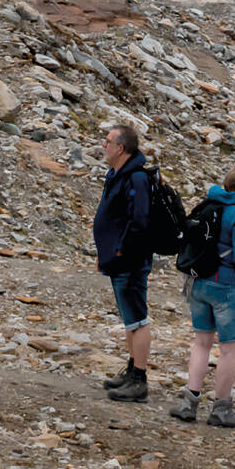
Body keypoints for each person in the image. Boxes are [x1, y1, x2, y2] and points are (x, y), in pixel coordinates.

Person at [171, 161, 235, 429]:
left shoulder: (209, 204)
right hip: (226, 287)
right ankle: (222, 408)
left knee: (201, 343)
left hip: (198, 282)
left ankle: (189, 402)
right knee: (230, 349)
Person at [93, 119, 153, 401]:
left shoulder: (136, 178)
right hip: (118, 259)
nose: (103, 146)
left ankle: (139, 379)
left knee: (138, 319)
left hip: (130, 260)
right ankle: (131, 370)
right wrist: (105, 253)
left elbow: (138, 222)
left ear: (121, 147)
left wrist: (119, 252)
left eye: (107, 142)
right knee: (129, 319)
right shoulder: (116, 173)